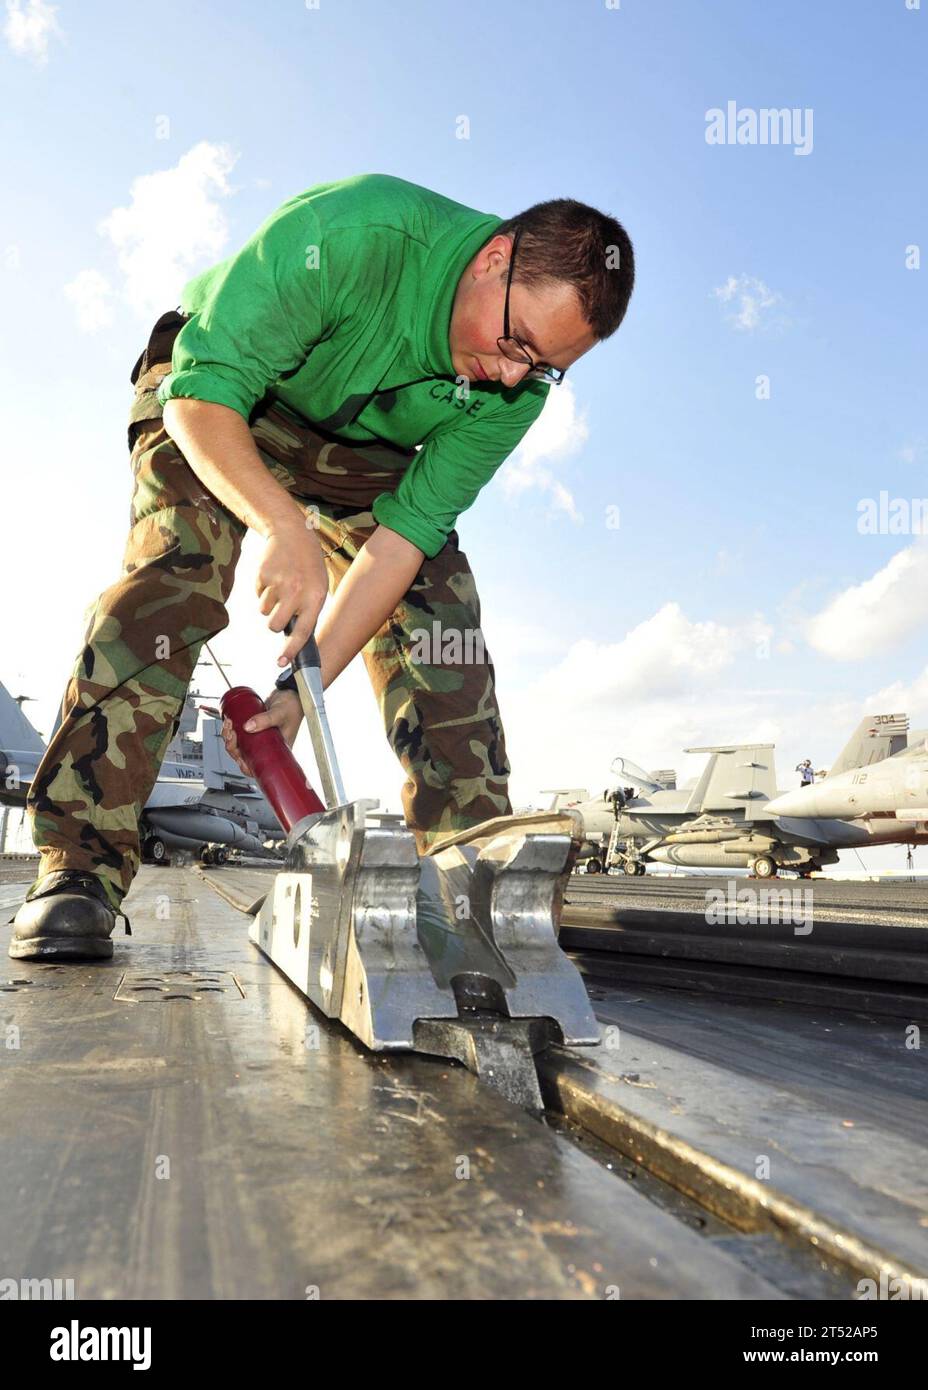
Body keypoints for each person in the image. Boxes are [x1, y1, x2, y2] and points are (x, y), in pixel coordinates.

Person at [11, 173, 635, 961]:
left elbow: (400, 545)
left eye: (545, 368)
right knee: (180, 568)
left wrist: (297, 696)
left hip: (361, 453)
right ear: (493, 258)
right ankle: (79, 867)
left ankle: (471, 893)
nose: (514, 378)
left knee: (441, 622)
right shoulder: (351, 238)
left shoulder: (517, 392)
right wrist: (280, 524)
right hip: (227, 395)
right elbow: (202, 392)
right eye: (516, 346)